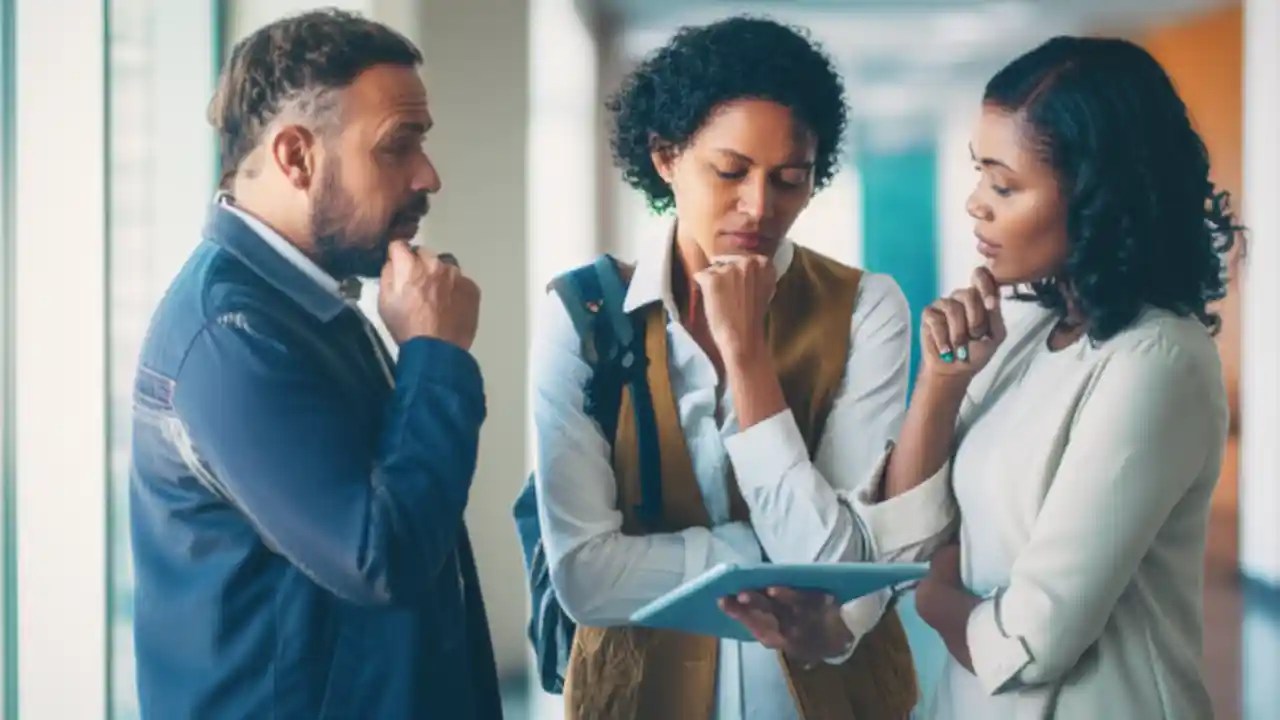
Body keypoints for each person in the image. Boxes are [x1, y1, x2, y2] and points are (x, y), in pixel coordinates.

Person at [730, 36, 1240, 719]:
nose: (976, 204)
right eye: (979, 175)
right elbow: (913, 534)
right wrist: (940, 387)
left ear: (1097, 198)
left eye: (1004, 185)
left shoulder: (1158, 362)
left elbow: (1032, 639)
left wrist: (934, 591)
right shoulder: (1022, 327)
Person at [531, 16, 954, 719]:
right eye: (729, 172)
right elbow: (584, 576)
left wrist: (747, 357)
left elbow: (836, 572)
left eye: (791, 179)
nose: (759, 207)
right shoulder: (583, 314)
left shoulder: (864, 307)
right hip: (638, 698)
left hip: (830, 699)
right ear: (665, 158)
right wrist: (756, 552)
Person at [129, 10, 500, 719]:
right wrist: (437, 354)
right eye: (398, 147)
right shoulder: (231, 334)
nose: (429, 175)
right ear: (297, 156)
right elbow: (379, 557)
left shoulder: (306, 303)